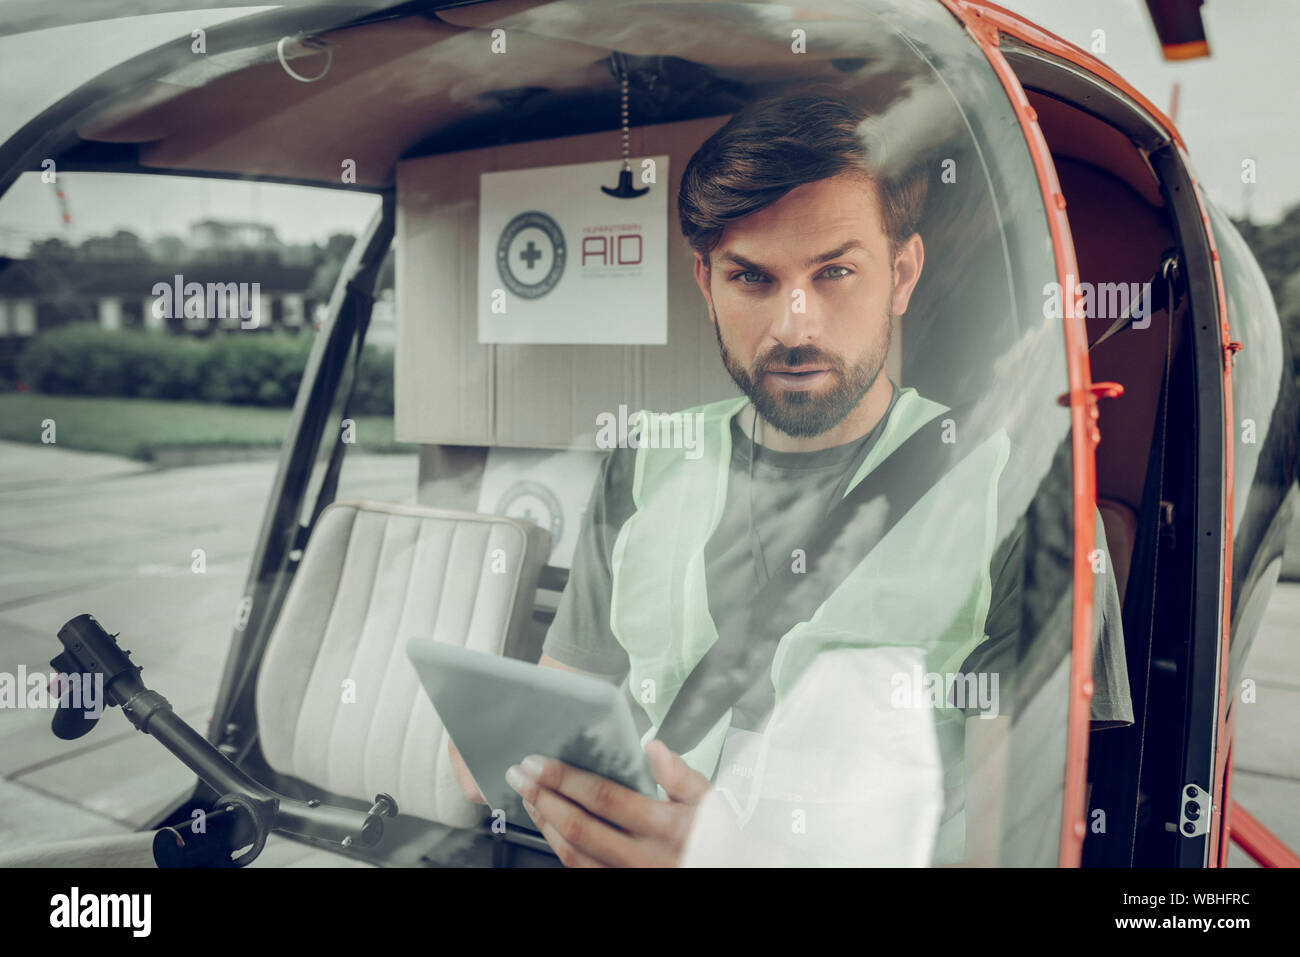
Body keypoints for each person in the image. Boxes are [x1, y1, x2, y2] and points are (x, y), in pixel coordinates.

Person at [450, 89, 1134, 866]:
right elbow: (565, 699)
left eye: (835, 271)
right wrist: (508, 751)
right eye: (753, 279)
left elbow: (1019, 852)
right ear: (705, 283)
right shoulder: (644, 463)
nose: (795, 326)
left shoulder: (1028, 499)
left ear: (902, 274)